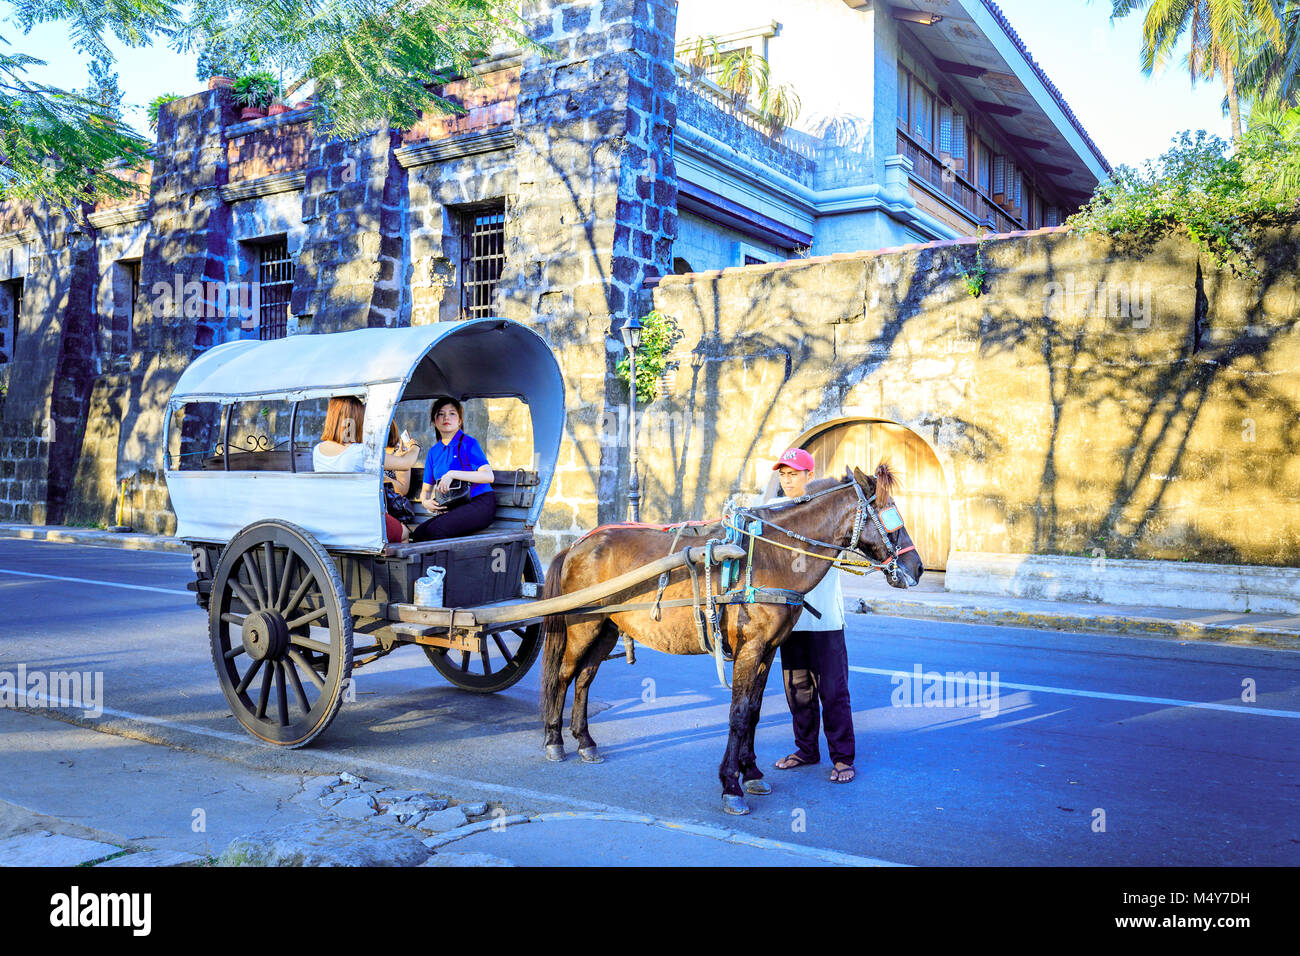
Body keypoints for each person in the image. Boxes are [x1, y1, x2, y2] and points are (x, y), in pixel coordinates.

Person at [768, 447, 857, 784]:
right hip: (788, 617)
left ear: (809, 475)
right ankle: (806, 750)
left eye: (793, 473)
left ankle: (843, 758)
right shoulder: (774, 512)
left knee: (833, 690)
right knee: (798, 689)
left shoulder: (827, 512)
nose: (787, 479)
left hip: (824, 619)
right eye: (783, 474)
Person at [313, 396, 421, 543]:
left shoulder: (317, 450)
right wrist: (415, 447)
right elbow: (406, 463)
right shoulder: (359, 452)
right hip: (361, 519)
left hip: (331, 518)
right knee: (404, 533)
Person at [410, 397, 496, 542]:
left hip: (480, 504)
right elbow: (425, 491)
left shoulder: (469, 443)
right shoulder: (434, 452)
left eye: (452, 413)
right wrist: (426, 502)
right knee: (419, 533)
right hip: (454, 507)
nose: (446, 418)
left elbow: (488, 476)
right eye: (441, 414)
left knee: (436, 530)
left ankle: (444, 565)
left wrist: (452, 474)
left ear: (460, 421)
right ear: (434, 422)